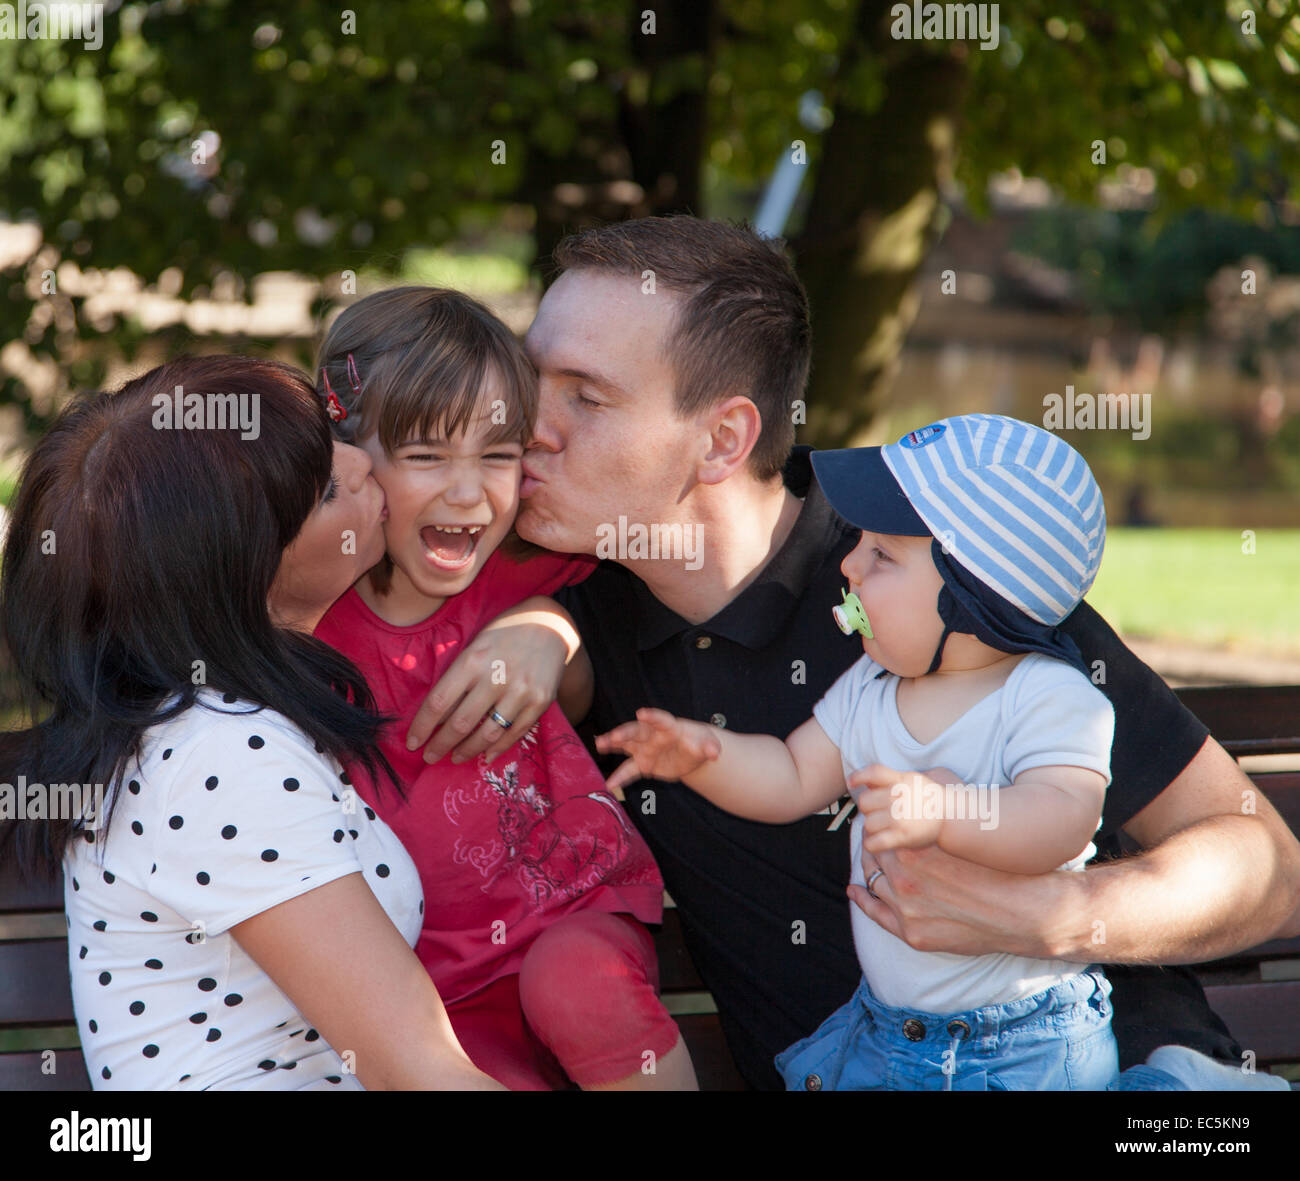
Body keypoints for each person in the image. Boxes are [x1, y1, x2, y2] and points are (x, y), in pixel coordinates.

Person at [401, 215, 1300, 1091]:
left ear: (724, 439)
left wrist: (1046, 916)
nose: (532, 428)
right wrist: (538, 628)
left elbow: (1268, 871)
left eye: (586, 397)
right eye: (531, 382)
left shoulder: (931, 568)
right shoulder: (580, 603)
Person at [0, 355, 502, 1090]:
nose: (367, 462)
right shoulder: (223, 760)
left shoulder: (185, 722)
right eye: (328, 488)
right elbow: (420, 1070)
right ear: (247, 570)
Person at [598, 415, 1120, 1090]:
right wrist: (703, 754)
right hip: (887, 1031)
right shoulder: (872, 688)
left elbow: (1063, 818)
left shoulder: (1047, 695)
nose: (848, 564)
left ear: (972, 596)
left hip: (1025, 1041)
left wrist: (943, 812)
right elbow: (789, 775)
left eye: (882, 556)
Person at [310, 286, 697, 1091]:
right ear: (349, 459)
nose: (467, 492)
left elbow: (589, 683)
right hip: (430, 980)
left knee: (575, 985)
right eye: (425, 457)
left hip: (573, 918)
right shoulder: (313, 626)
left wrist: (551, 625)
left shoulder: (525, 568)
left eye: (496, 455)